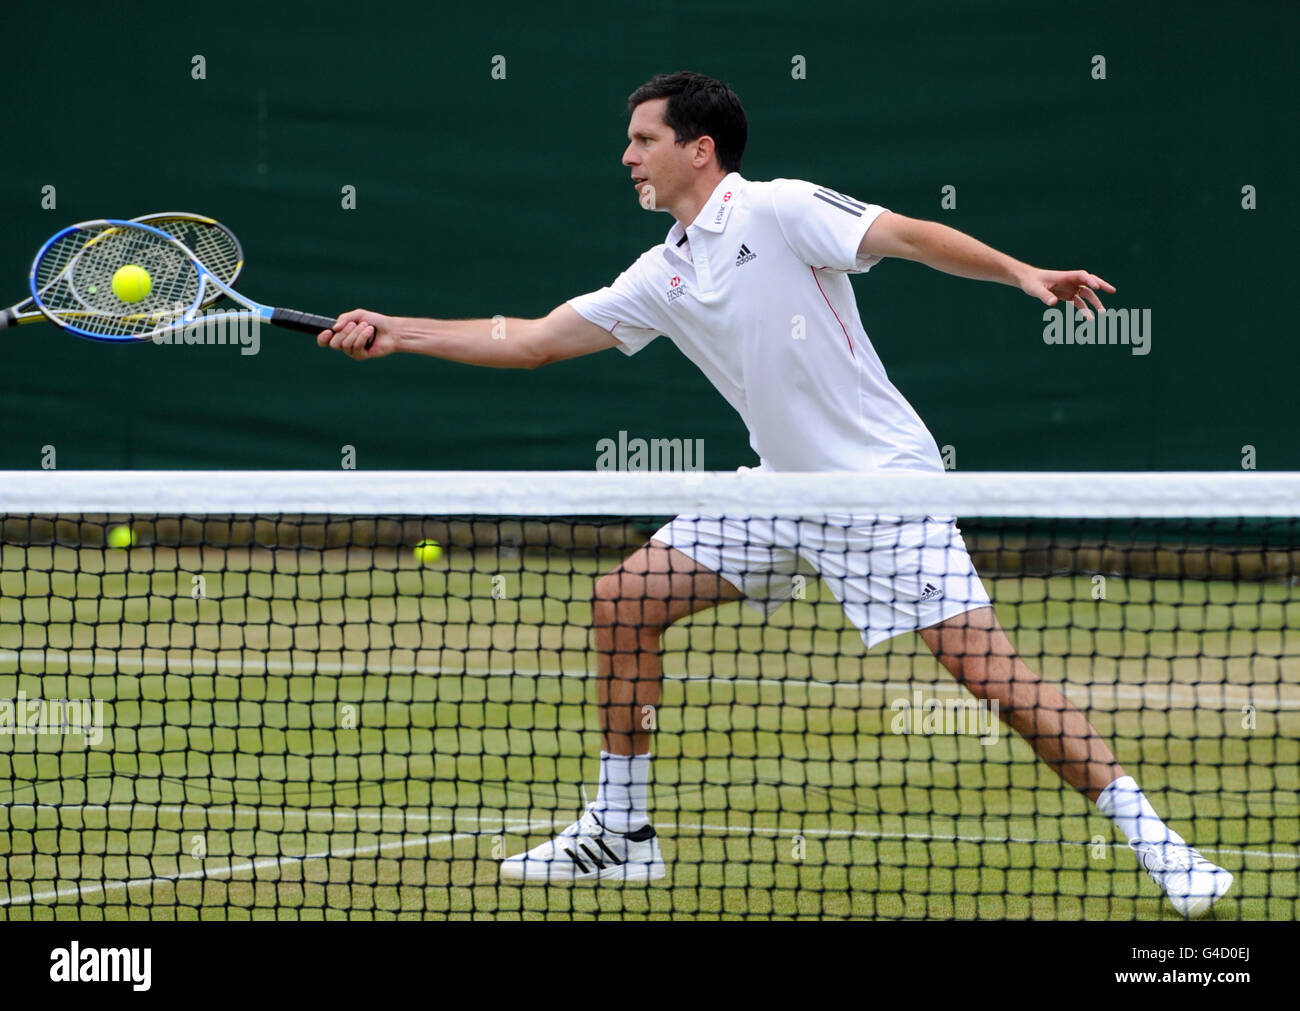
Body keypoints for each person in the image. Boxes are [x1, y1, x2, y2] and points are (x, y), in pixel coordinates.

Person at [317, 71, 1233, 917]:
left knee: (990, 679)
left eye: (643, 139)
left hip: (879, 492)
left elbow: (907, 235)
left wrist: (1019, 270)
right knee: (624, 601)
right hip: (777, 491)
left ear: (699, 147)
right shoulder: (661, 271)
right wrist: (398, 331)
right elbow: (531, 341)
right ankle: (622, 831)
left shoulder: (783, 209)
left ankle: (1163, 848)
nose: (627, 156)